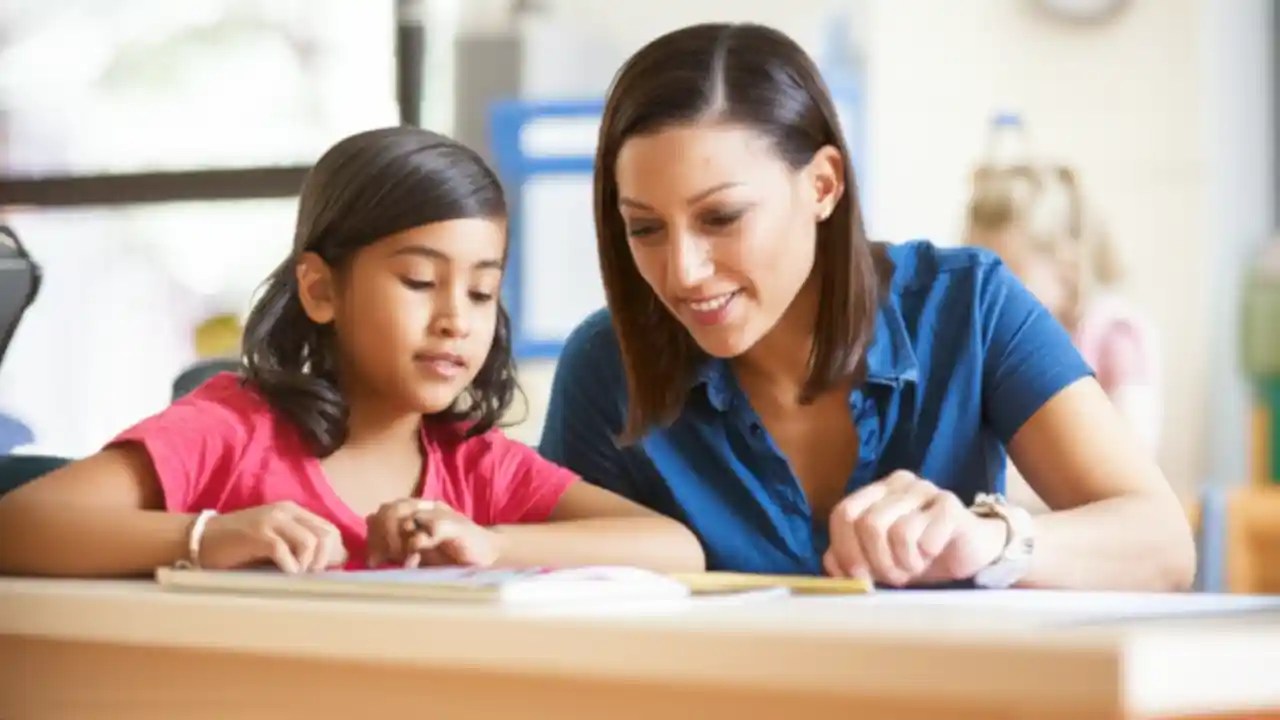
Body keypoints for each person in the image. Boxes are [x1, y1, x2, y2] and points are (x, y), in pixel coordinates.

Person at [540, 23, 1194, 590]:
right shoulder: (605, 367)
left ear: (822, 185)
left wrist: (988, 540)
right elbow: (554, 604)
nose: (682, 271)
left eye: (722, 217)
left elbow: (1162, 547)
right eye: (645, 229)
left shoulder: (969, 306)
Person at [0, 127, 705, 577]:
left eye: (483, 292)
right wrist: (202, 537)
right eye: (421, 281)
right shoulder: (231, 430)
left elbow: (675, 549)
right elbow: (19, 525)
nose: (456, 318)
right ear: (320, 289)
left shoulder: (476, 468)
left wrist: (489, 542)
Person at [963, 163, 1161, 451]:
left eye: (1007, 278)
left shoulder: (1113, 337)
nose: (985, 298)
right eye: (975, 278)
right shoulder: (992, 343)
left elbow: (1135, 456)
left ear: (1066, 267)